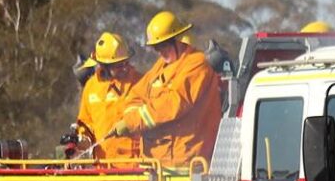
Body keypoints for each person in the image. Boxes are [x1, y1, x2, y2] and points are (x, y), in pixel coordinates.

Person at [107, 11, 224, 169]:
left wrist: (132, 121)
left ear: (178, 39)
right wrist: (130, 117)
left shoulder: (197, 64)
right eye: (156, 47)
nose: (160, 52)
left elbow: (173, 103)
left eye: (163, 46)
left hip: (185, 165)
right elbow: (136, 95)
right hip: (156, 165)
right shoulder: (161, 66)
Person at [74, 33, 141, 162]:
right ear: (104, 65)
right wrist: (82, 138)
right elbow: (85, 122)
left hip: (134, 169)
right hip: (103, 167)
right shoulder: (91, 87)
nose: (125, 67)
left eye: (126, 62)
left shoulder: (140, 82)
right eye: (119, 64)